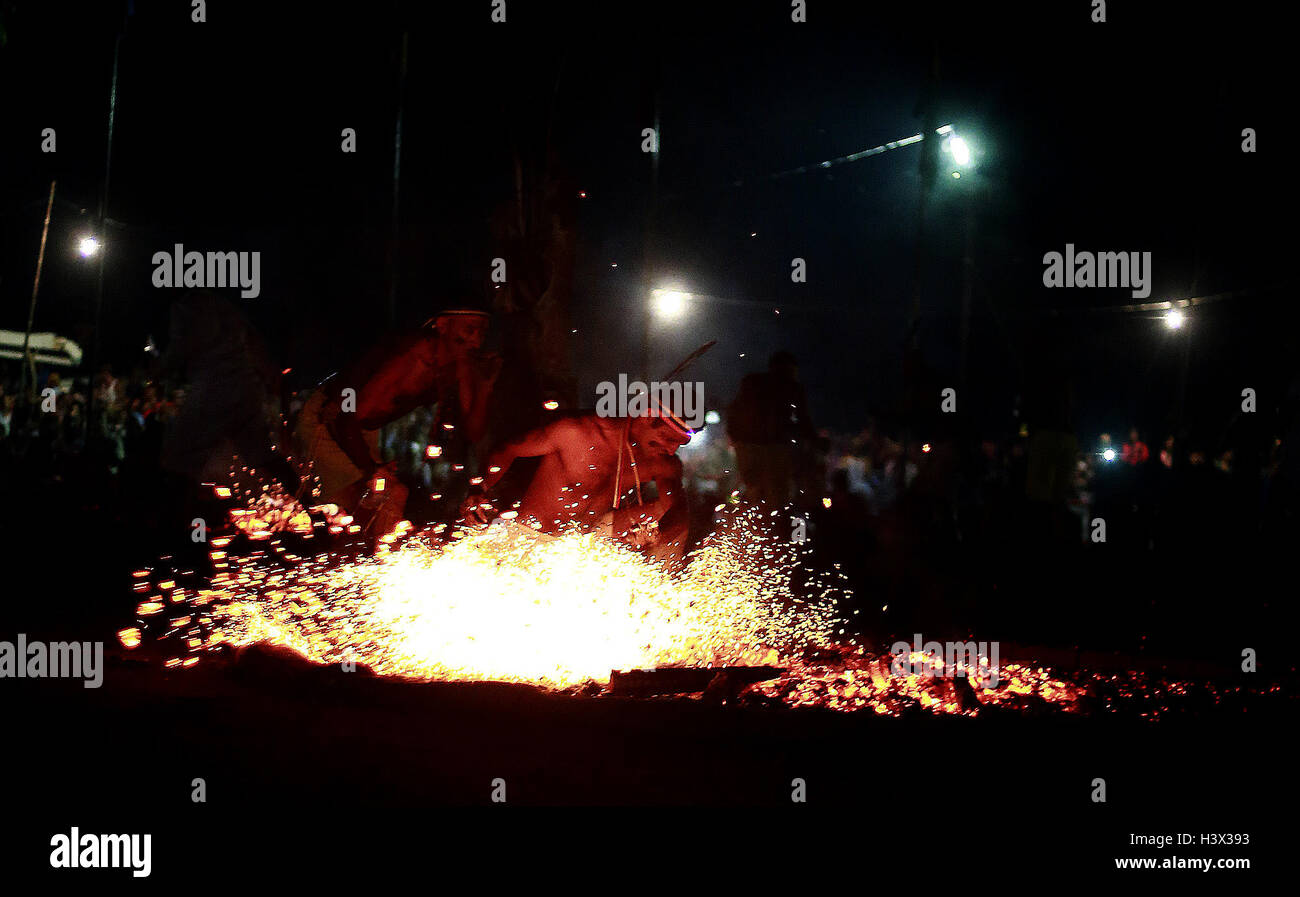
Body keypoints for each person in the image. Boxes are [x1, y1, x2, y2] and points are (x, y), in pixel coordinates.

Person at [293, 300, 500, 534]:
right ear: (443, 325)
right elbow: (344, 414)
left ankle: (364, 549)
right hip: (328, 423)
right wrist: (370, 469)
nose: (476, 340)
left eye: (482, 332)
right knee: (379, 499)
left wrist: (485, 389)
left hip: (359, 430)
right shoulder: (410, 355)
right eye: (470, 330)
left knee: (380, 503)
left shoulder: (459, 364)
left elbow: (472, 433)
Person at [463, 401, 694, 566]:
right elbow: (508, 449)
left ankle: (660, 595)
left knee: (665, 515)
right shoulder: (576, 432)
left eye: (679, 444)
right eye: (668, 438)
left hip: (584, 540)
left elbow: (678, 510)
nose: (671, 449)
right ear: (647, 417)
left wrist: (655, 533)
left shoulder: (661, 463)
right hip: (529, 538)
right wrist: (479, 488)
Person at [725, 351, 816, 506]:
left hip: (751, 447)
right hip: (770, 448)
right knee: (775, 494)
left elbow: (733, 411)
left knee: (754, 489)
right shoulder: (791, 387)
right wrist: (814, 440)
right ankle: (768, 514)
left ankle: (749, 511)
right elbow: (803, 419)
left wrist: (736, 439)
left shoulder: (752, 382)